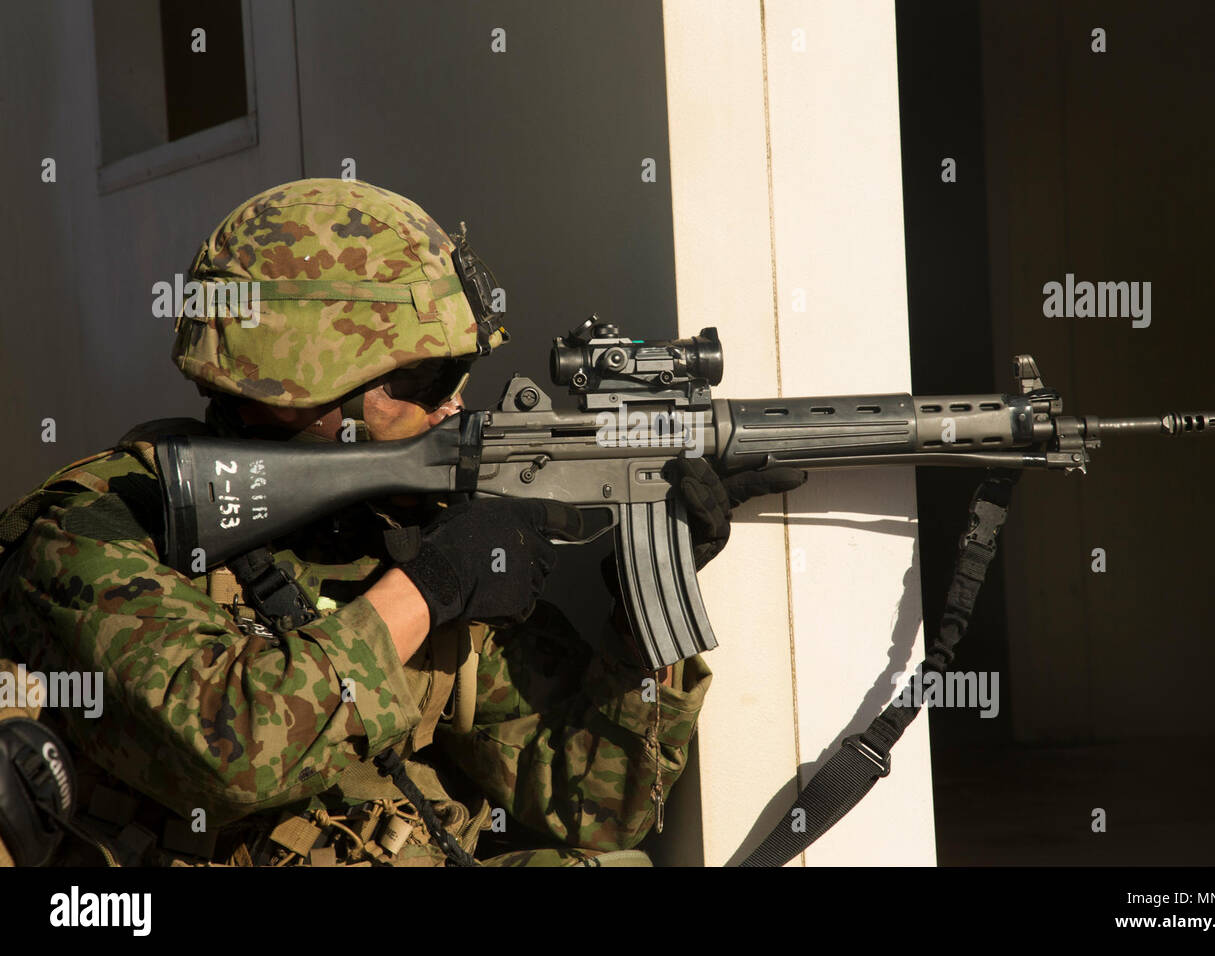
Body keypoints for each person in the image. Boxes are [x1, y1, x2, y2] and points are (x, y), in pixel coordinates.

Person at [0, 179, 804, 866]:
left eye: (459, 373)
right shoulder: (95, 530)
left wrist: (645, 612)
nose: (453, 402)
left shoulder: (389, 523)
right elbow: (228, 745)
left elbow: (590, 803)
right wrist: (433, 587)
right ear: (310, 386)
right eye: (424, 378)